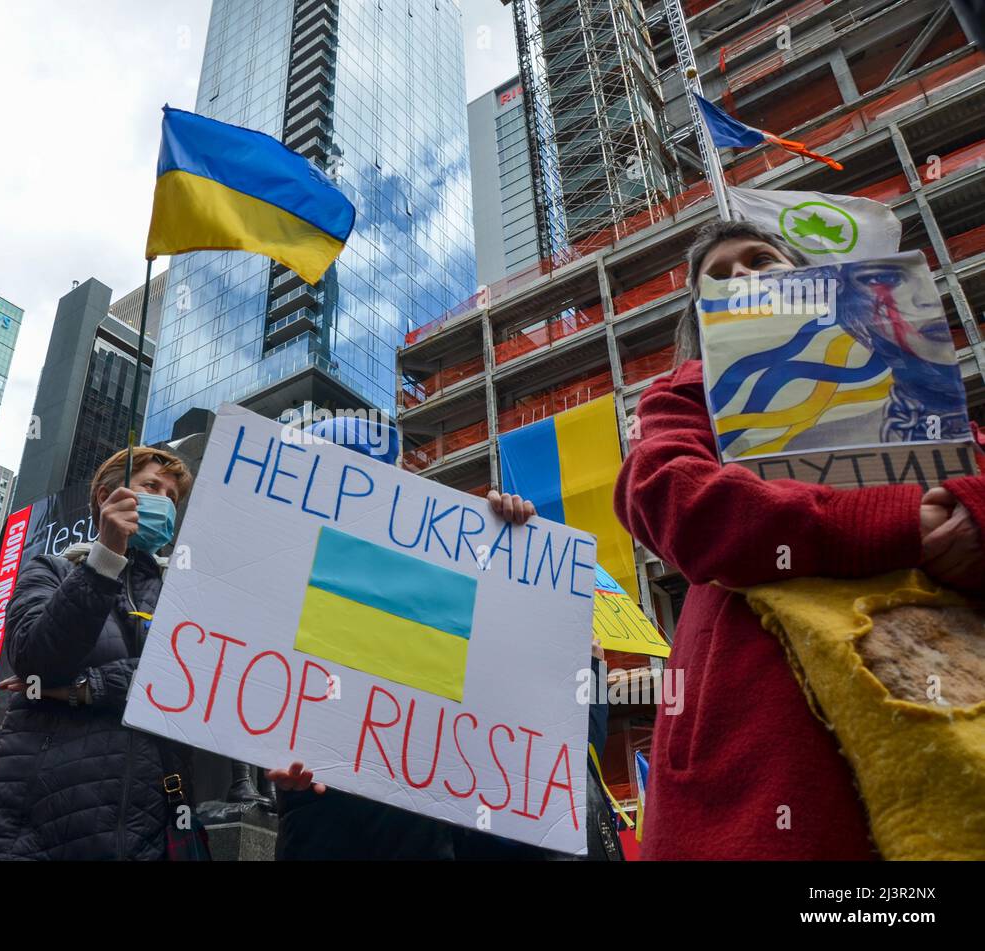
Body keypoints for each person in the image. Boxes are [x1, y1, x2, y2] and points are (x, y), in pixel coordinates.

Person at [614, 218, 985, 859]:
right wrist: (887, 526)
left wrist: (976, 518)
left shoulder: (910, 372)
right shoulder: (681, 397)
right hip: (757, 724)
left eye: (761, 259)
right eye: (722, 276)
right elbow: (674, 500)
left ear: (819, 282)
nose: (746, 278)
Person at [268, 416, 545, 860]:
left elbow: (504, 661)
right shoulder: (278, 575)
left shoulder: (437, 566)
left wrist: (508, 539)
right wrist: (271, 754)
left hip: (421, 823)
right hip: (320, 817)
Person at [0, 447, 198, 860]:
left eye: (172, 498)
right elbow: (37, 660)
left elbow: (189, 681)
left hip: (140, 834)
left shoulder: (178, 598)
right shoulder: (51, 571)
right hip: (30, 833)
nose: (164, 502)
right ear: (107, 496)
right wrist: (105, 558)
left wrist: (82, 688)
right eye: (152, 487)